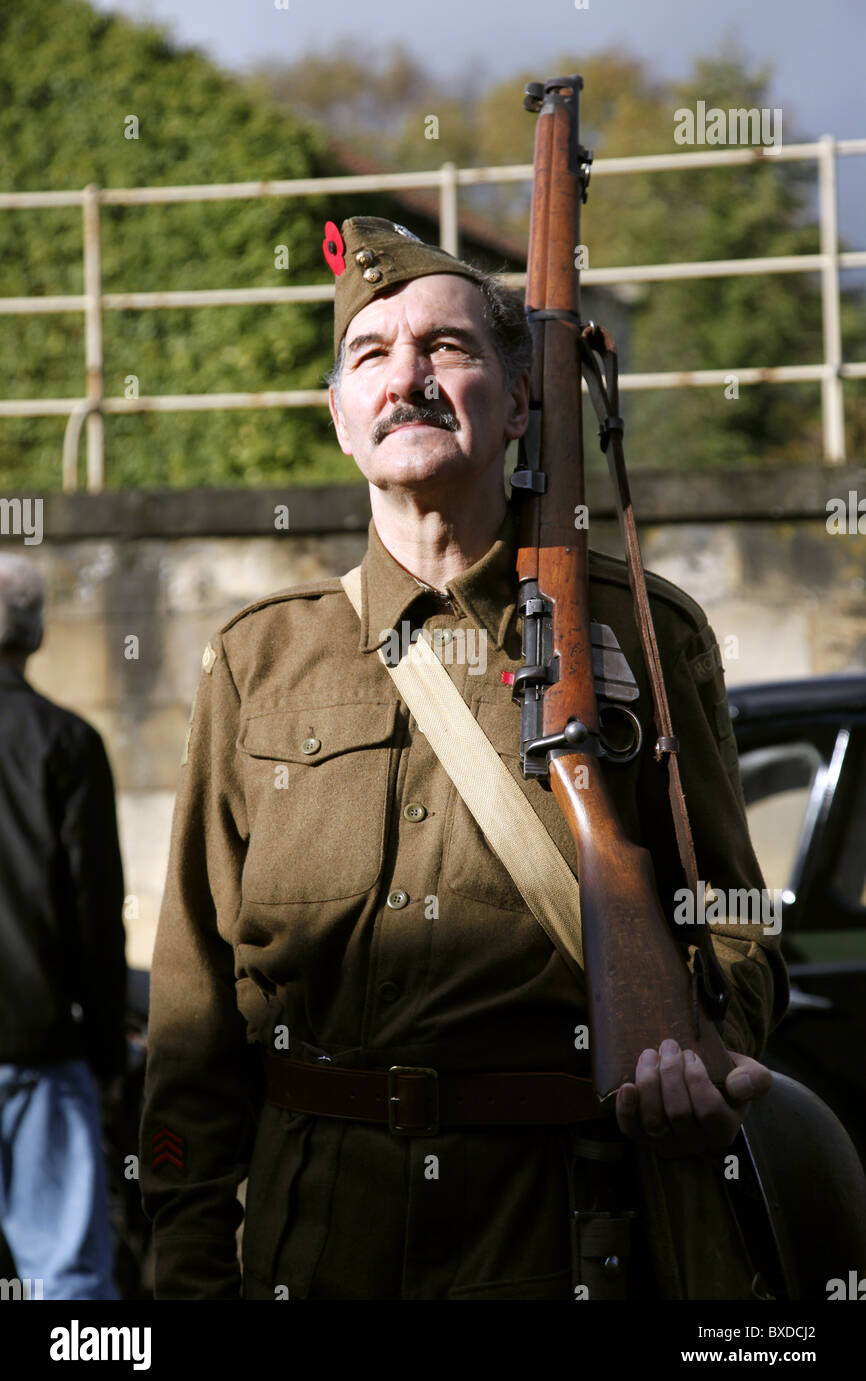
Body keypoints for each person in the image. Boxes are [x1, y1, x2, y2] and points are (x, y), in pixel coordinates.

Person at [140, 217, 788, 1300]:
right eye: (370, 356)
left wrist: (705, 1041)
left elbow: (733, 916)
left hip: (566, 1228)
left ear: (522, 400)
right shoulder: (258, 655)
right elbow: (193, 1008)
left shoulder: (642, 631)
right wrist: (187, 1270)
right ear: (340, 421)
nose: (407, 379)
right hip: (317, 1233)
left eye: (446, 349)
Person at [0, 553, 126, 1300]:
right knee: (68, 1278)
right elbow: (94, 912)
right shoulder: (68, 742)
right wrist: (106, 1048)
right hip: (37, 1046)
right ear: (37, 630)